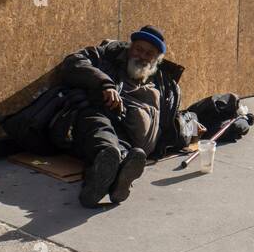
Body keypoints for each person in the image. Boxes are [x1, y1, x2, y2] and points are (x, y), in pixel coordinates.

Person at [51, 25, 201, 207]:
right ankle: (110, 175)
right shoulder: (109, 56)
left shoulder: (165, 84)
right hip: (105, 123)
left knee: (123, 152)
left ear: (157, 60)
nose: (142, 57)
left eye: (149, 54)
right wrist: (105, 84)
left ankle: (116, 178)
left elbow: (174, 118)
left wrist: (192, 127)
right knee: (100, 129)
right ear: (131, 48)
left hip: (138, 147)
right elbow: (73, 63)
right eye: (139, 49)